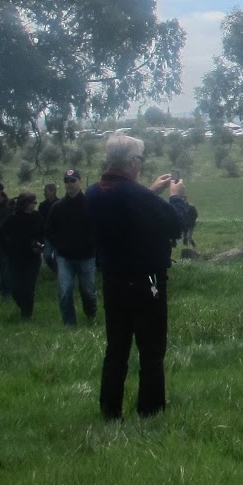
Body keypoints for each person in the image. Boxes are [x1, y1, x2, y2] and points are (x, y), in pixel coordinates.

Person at [85, 134, 182, 420]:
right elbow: (176, 224)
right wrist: (176, 198)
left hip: (114, 280)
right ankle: (150, 410)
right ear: (130, 162)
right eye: (139, 159)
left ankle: (109, 408)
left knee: (117, 347)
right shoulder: (137, 196)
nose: (140, 164)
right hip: (148, 280)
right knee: (151, 349)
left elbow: (128, 211)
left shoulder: (93, 193)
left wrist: (150, 193)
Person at [45, 169, 98, 327]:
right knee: (65, 291)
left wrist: (92, 244)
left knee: (88, 291)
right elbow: (48, 230)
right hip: (65, 257)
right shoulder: (57, 206)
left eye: (73, 181)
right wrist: (59, 245)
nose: (69, 184)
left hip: (87, 256)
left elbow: (99, 227)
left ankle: (91, 314)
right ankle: (69, 324)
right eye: (66, 181)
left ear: (80, 182)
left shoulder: (90, 204)